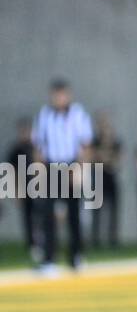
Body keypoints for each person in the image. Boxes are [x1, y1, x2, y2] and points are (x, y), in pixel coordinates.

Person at [33, 78, 94, 273]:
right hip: (51, 167)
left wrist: (80, 169)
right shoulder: (45, 115)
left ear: (68, 95)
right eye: (56, 95)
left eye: (62, 94)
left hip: (72, 166)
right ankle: (49, 260)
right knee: (48, 215)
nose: (59, 98)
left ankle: (75, 257)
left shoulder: (77, 114)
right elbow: (39, 147)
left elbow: (85, 145)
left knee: (74, 215)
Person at [5, 118, 40, 260]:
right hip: (24, 189)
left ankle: (43, 243)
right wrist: (16, 192)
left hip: (39, 187)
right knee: (28, 218)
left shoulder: (37, 148)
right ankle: (32, 246)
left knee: (41, 217)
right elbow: (10, 171)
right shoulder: (15, 150)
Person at [89, 112, 122, 250]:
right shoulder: (94, 141)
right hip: (97, 178)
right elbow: (92, 158)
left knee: (113, 211)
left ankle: (113, 239)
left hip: (111, 179)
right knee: (96, 211)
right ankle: (95, 240)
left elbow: (117, 161)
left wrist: (103, 156)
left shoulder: (115, 142)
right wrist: (104, 156)